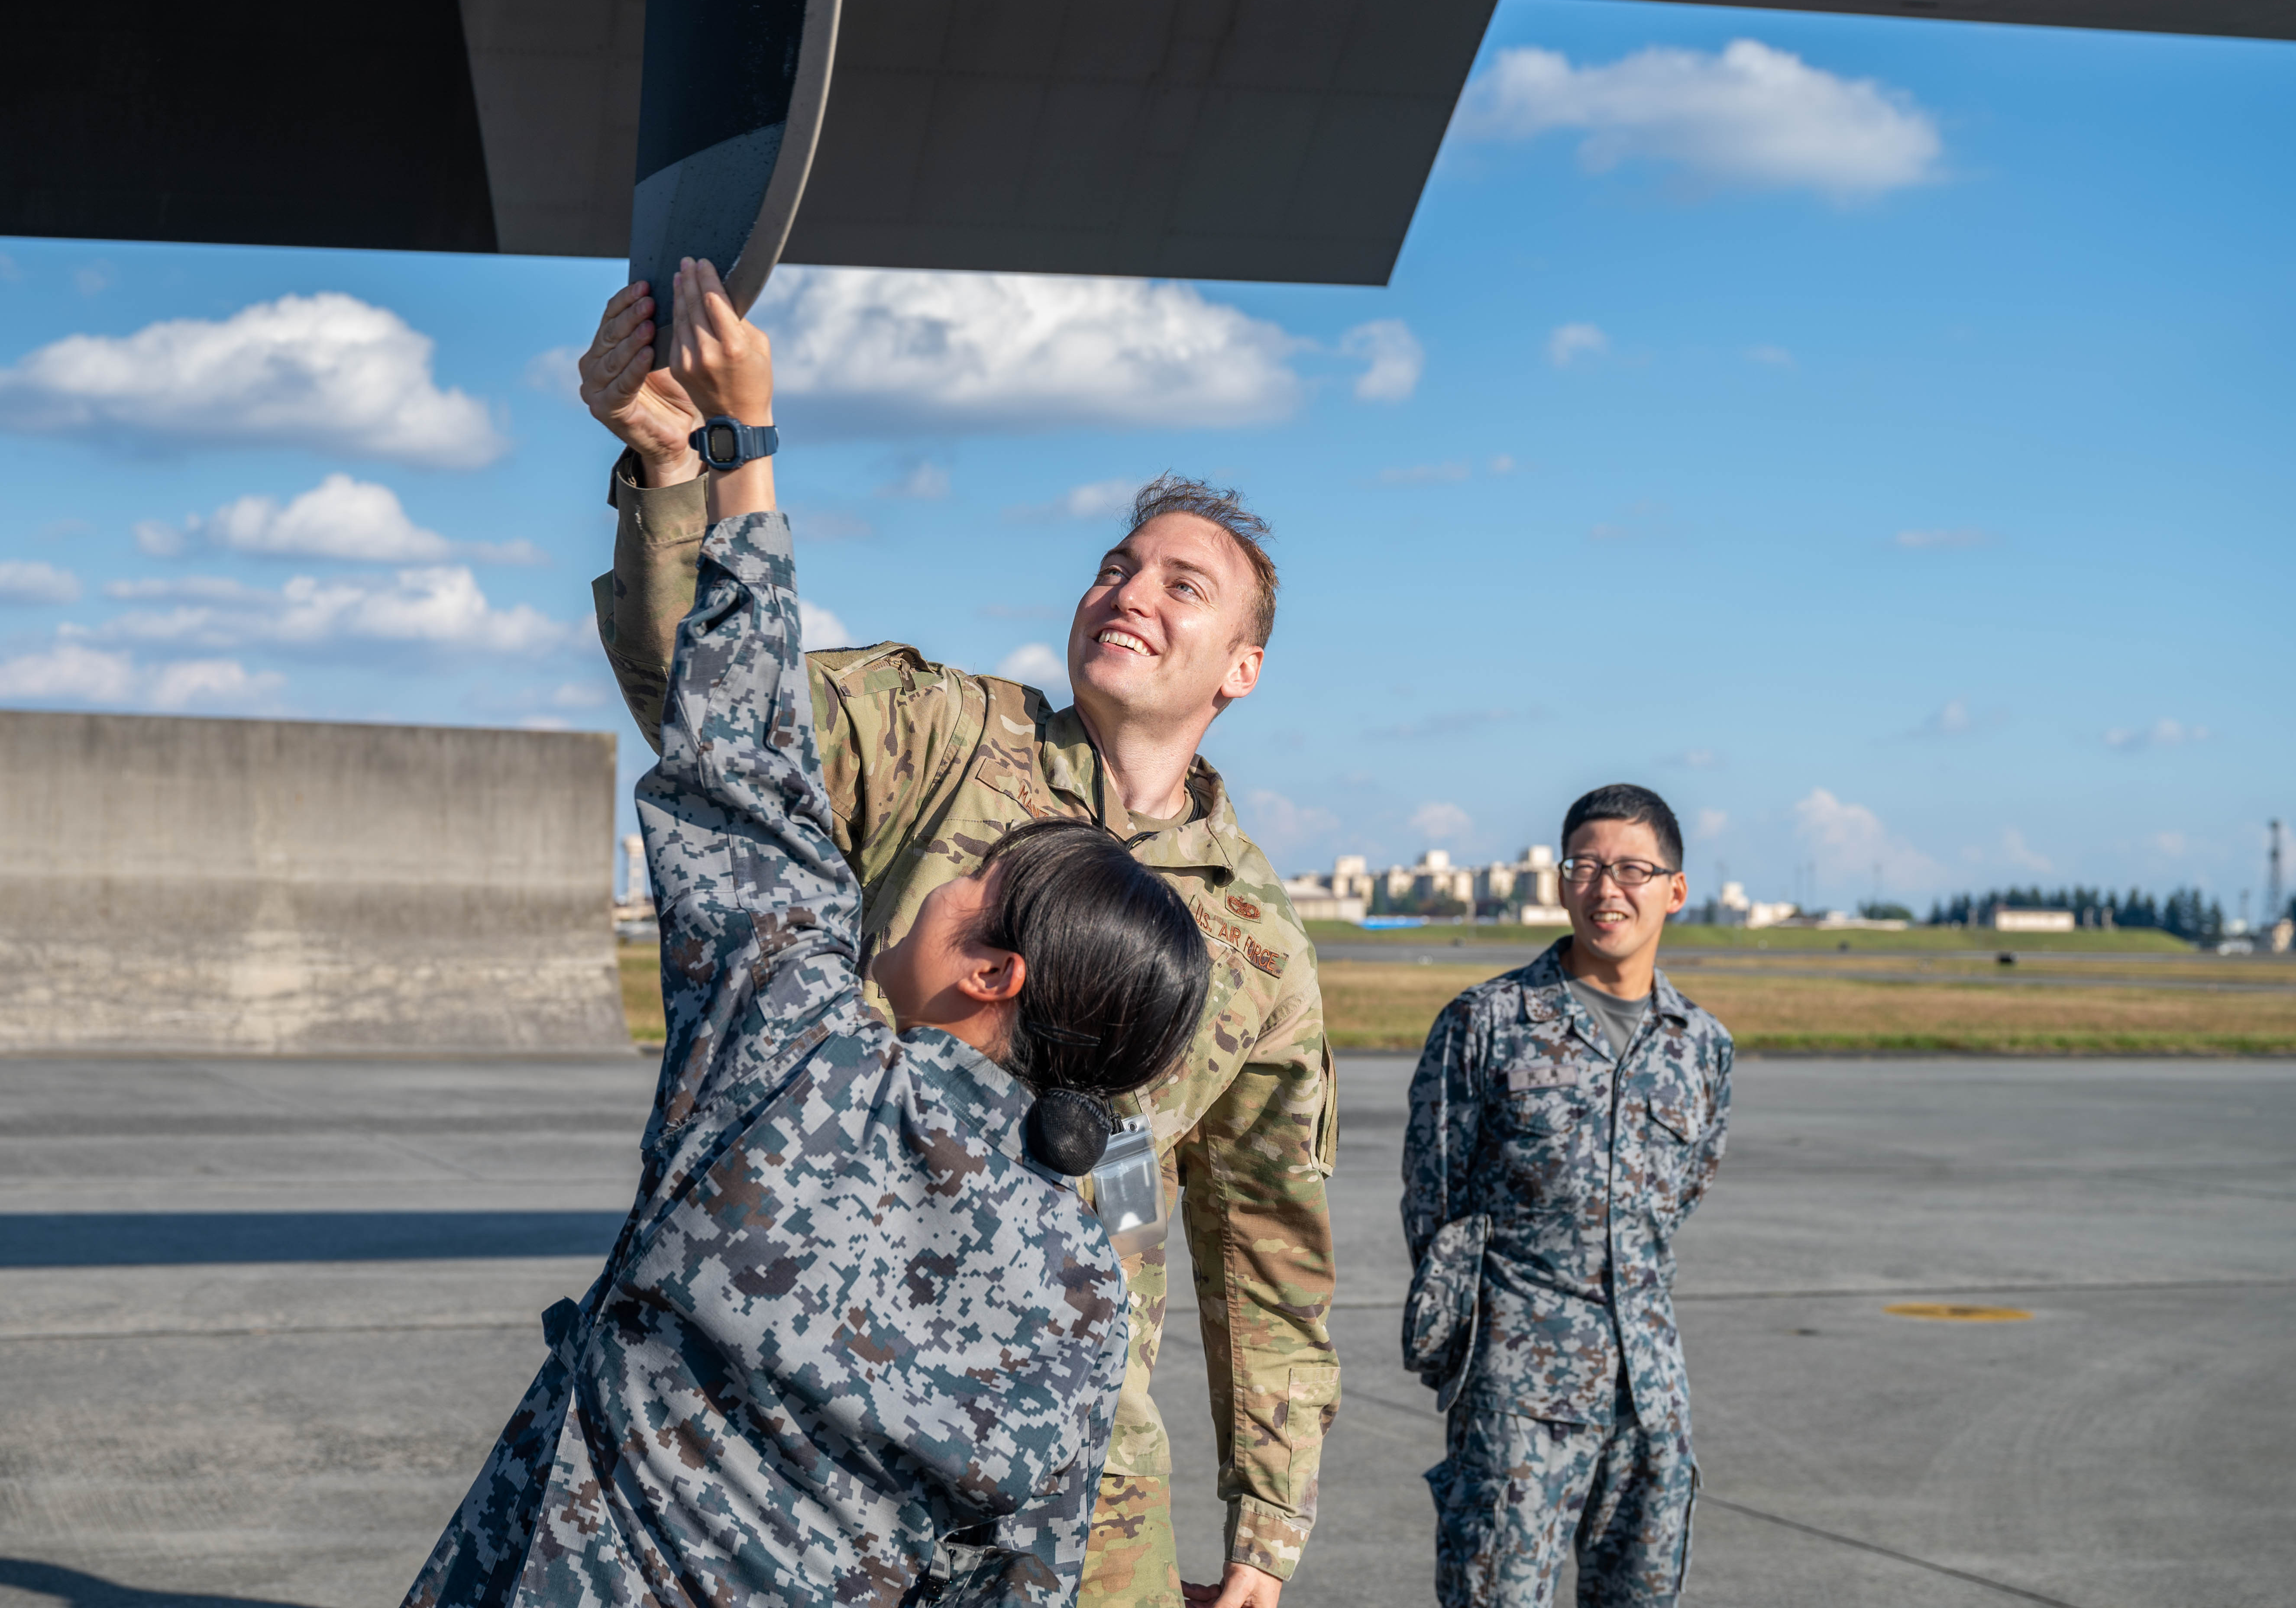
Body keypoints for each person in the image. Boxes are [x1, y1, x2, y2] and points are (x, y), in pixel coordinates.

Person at [404, 261, 1212, 1608]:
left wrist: (737, 455)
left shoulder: (797, 1060)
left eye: (966, 879)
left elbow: (744, 766)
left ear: (990, 970)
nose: (933, 883)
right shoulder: (1084, 1295)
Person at [574, 281, 1340, 1608]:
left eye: (1182, 584)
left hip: (1076, 1475)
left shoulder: (1260, 943)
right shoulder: (936, 734)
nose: (1130, 590)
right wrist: (670, 470)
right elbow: (720, 714)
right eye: (1116, 562)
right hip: (818, 1401)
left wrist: (1267, 1534)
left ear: (1242, 670)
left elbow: (1267, 1242)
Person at [1399, 785, 1733, 1608]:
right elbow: (1433, 1205)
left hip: (1650, 1393)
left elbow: (1680, 1198)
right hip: (1518, 1395)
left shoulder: (1702, 1048)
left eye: (1631, 869)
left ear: (1675, 891)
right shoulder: (1488, 1023)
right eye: (1585, 866)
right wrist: (1468, 1357)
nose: (1605, 889)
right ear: (1559, 882)